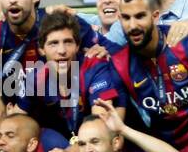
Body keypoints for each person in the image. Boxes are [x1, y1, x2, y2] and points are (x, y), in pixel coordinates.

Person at [108, 0, 188, 152]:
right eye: (126, 18)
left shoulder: (185, 43)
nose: (132, 26)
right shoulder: (119, 65)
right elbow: (117, 121)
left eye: (140, 16)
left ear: (155, 16)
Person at [15, 11, 122, 140]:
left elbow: (102, 126)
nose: (62, 51)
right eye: (53, 43)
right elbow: (15, 122)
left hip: (94, 146)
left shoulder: (95, 67)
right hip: (59, 147)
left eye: (68, 42)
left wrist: (71, 151)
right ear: (41, 50)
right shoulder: (35, 78)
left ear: (77, 46)